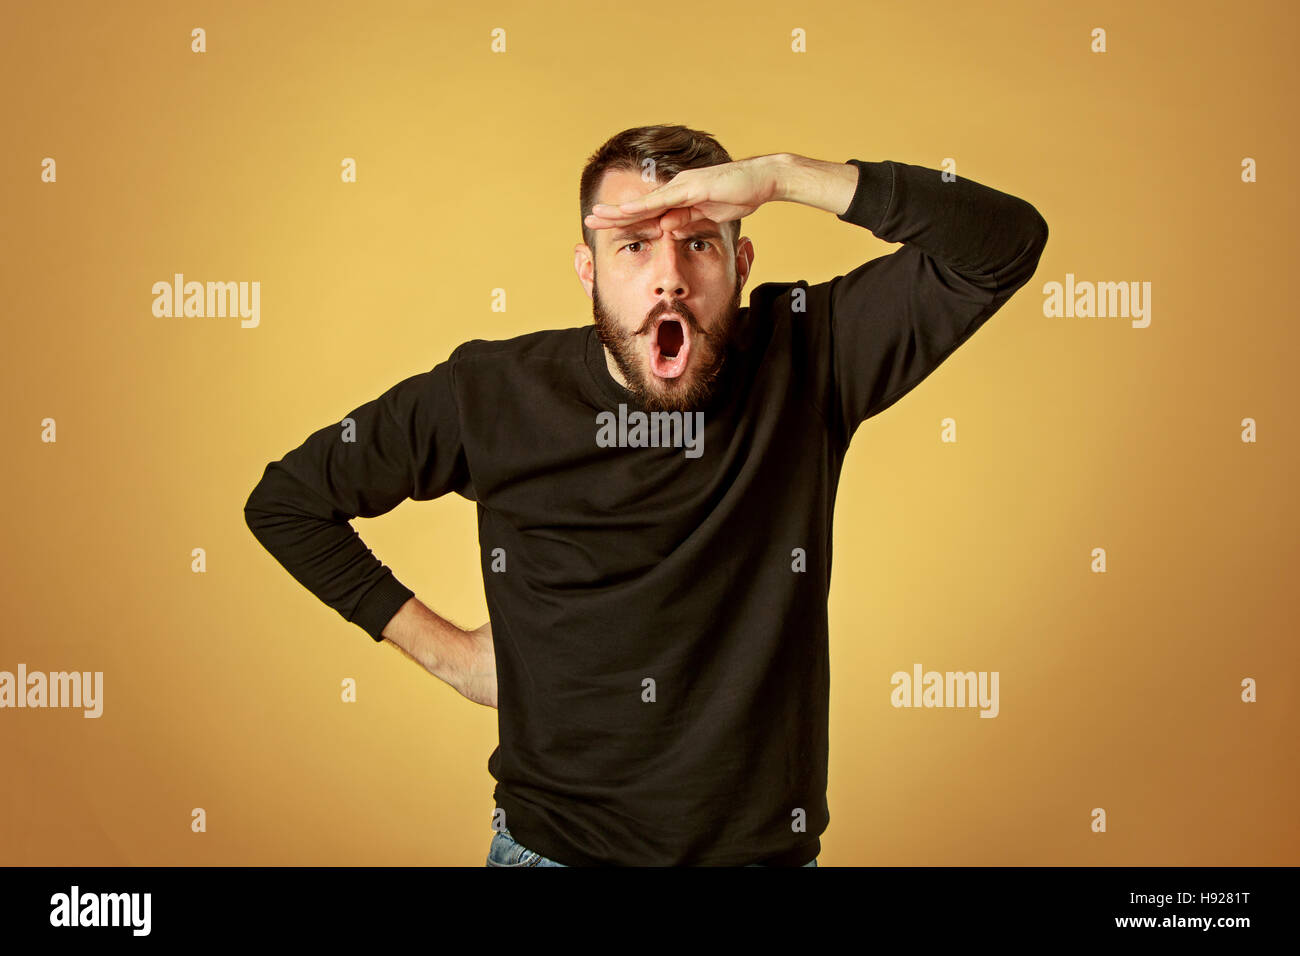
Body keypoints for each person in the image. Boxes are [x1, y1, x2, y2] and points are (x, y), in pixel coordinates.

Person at [244, 124, 1048, 867]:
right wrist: (450, 656)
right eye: (633, 246)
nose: (669, 278)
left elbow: (1006, 244)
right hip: (554, 855)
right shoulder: (490, 395)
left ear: (741, 265)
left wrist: (783, 177)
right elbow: (288, 501)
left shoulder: (811, 352)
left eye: (698, 243)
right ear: (588, 271)